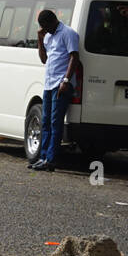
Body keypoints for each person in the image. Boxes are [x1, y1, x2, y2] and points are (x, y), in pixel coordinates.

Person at [32, 9, 80, 171]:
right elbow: (44, 59)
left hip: (61, 83)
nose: (44, 29)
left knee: (55, 122)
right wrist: (40, 39)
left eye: (45, 26)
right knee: (45, 121)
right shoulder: (47, 36)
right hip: (49, 83)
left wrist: (66, 80)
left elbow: (74, 56)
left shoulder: (68, 33)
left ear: (52, 21)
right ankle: (43, 156)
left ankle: (51, 159)